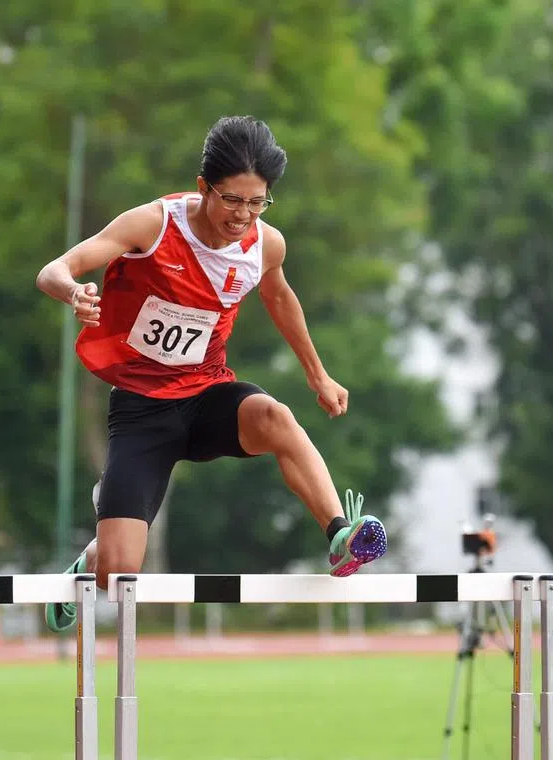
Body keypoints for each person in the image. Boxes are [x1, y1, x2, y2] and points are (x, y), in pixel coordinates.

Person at [35, 115, 387, 632]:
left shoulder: (266, 244)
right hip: (142, 408)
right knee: (118, 573)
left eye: (257, 202)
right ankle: (91, 558)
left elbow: (279, 297)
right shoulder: (153, 224)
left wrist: (319, 375)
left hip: (207, 395)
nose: (243, 215)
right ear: (204, 187)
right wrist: (74, 292)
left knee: (275, 416)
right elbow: (54, 269)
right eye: (232, 200)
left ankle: (339, 536)